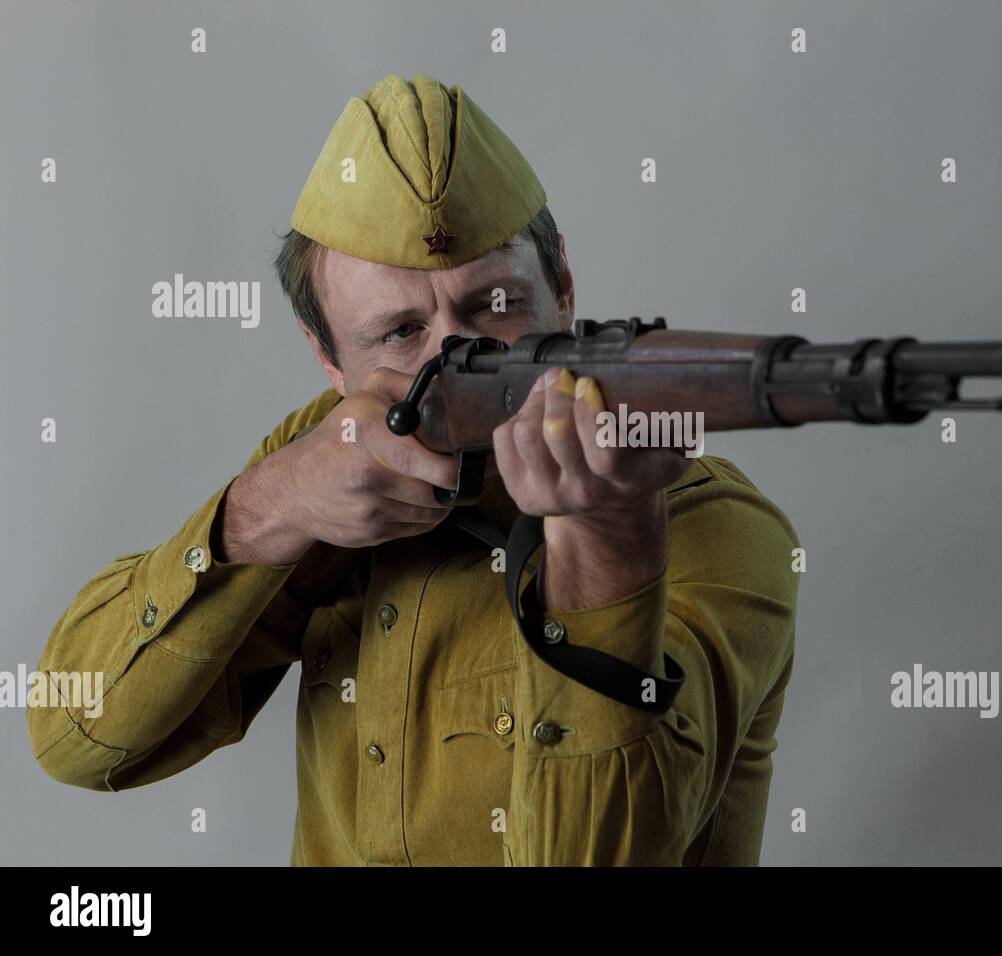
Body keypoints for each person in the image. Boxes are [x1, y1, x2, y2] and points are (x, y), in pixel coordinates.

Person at [27, 74, 800, 866]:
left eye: (493, 304)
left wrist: (609, 544)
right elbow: (74, 738)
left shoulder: (713, 526)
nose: (452, 358)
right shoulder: (329, 457)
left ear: (561, 288)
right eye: (400, 330)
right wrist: (269, 511)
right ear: (326, 355)